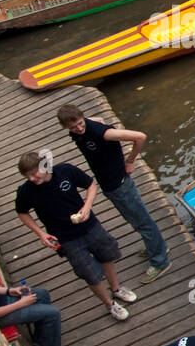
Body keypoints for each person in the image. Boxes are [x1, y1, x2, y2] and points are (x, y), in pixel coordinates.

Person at [15, 153, 135, 321]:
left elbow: (91, 185)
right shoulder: (26, 191)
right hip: (66, 240)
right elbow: (22, 212)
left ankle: (116, 289)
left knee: (107, 257)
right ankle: (110, 304)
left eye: (35, 174)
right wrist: (40, 233)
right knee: (90, 274)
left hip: (91, 226)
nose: (32, 178)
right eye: (27, 176)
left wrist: (87, 206)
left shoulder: (65, 171)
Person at [57, 104, 170, 283]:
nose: (79, 128)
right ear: (66, 127)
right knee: (135, 220)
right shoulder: (79, 131)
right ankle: (157, 247)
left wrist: (130, 160)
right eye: (73, 127)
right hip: (109, 184)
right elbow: (99, 120)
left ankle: (160, 261)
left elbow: (140, 137)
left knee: (142, 222)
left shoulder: (103, 133)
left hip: (120, 185)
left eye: (80, 123)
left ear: (82, 117)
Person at [0, 280, 62, 346]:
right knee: (52, 314)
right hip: (1, 316)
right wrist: (20, 304)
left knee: (42, 294)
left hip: (3, 302)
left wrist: (9, 291)